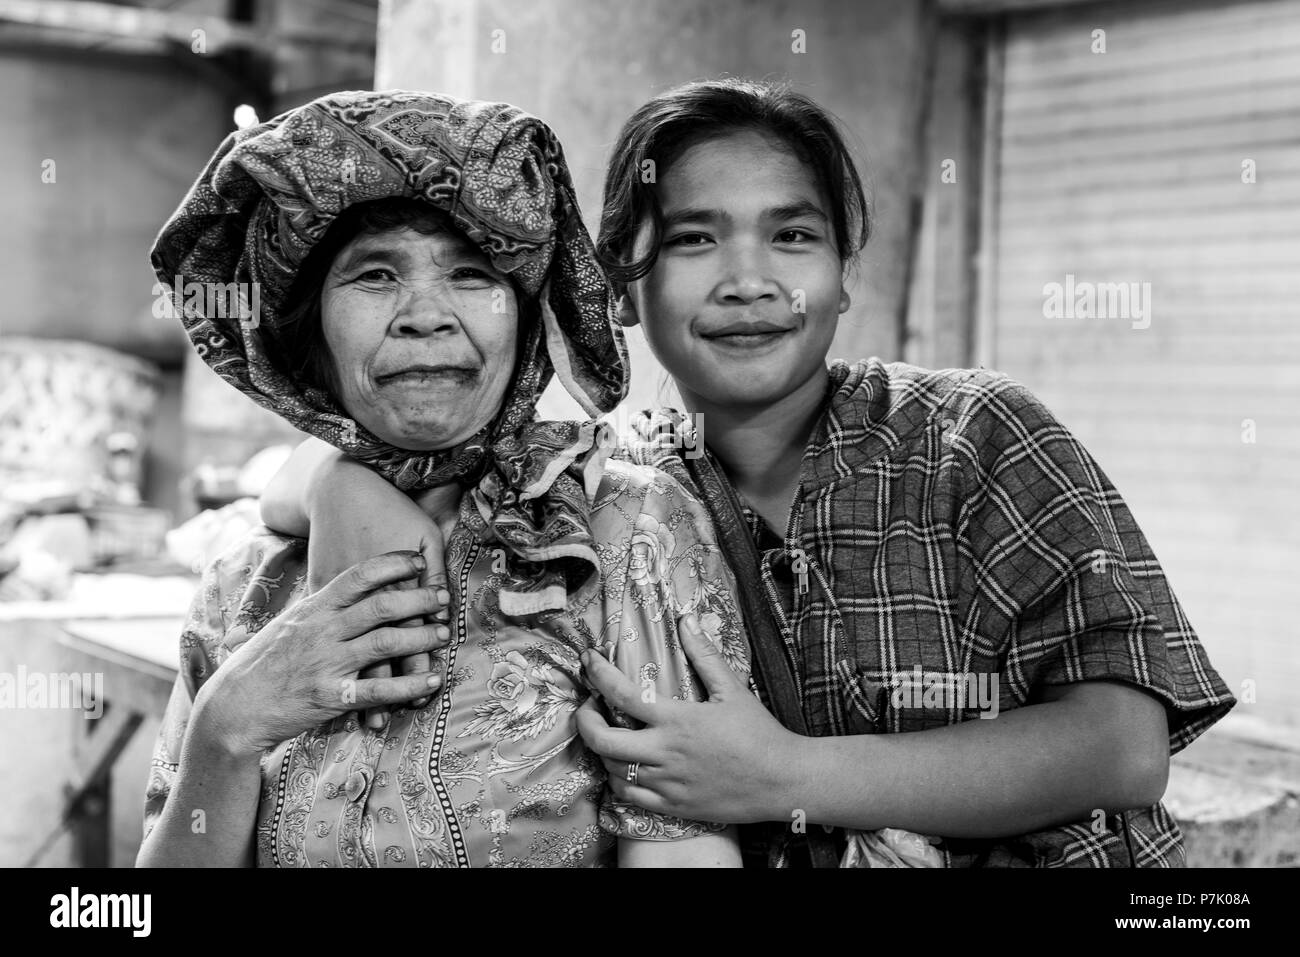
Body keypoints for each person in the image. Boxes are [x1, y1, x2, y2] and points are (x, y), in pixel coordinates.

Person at [262, 80, 1236, 868]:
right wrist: (334, 485)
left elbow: (1120, 748)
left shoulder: (972, 435)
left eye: (792, 236)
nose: (748, 280)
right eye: (694, 239)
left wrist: (785, 776)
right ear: (618, 289)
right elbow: (384, 455)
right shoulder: (625, 482)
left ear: (844, 271)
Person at [136, 90, 750, 868]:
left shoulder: (621, 533)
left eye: (472, 274)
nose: (424, 314)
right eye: (373, 276)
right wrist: (224, 732)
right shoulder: (242, 581)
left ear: (524, 321)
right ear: (310, 336)